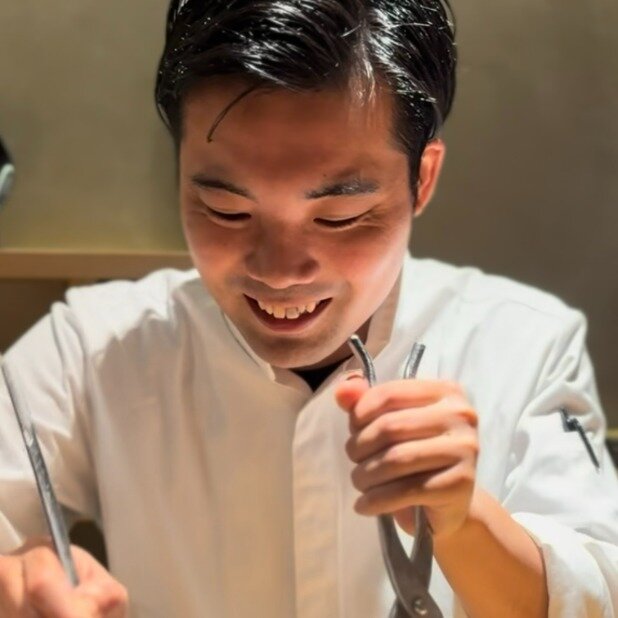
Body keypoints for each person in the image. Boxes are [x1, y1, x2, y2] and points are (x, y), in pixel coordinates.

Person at [1, 1, 617, 616]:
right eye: (226, 210)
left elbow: (595, 594)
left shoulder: (524, 344)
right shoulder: (92, 344)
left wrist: (466, 522)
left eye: (339, 217)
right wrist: (17, 580)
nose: (278, 271)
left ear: (422, 180)